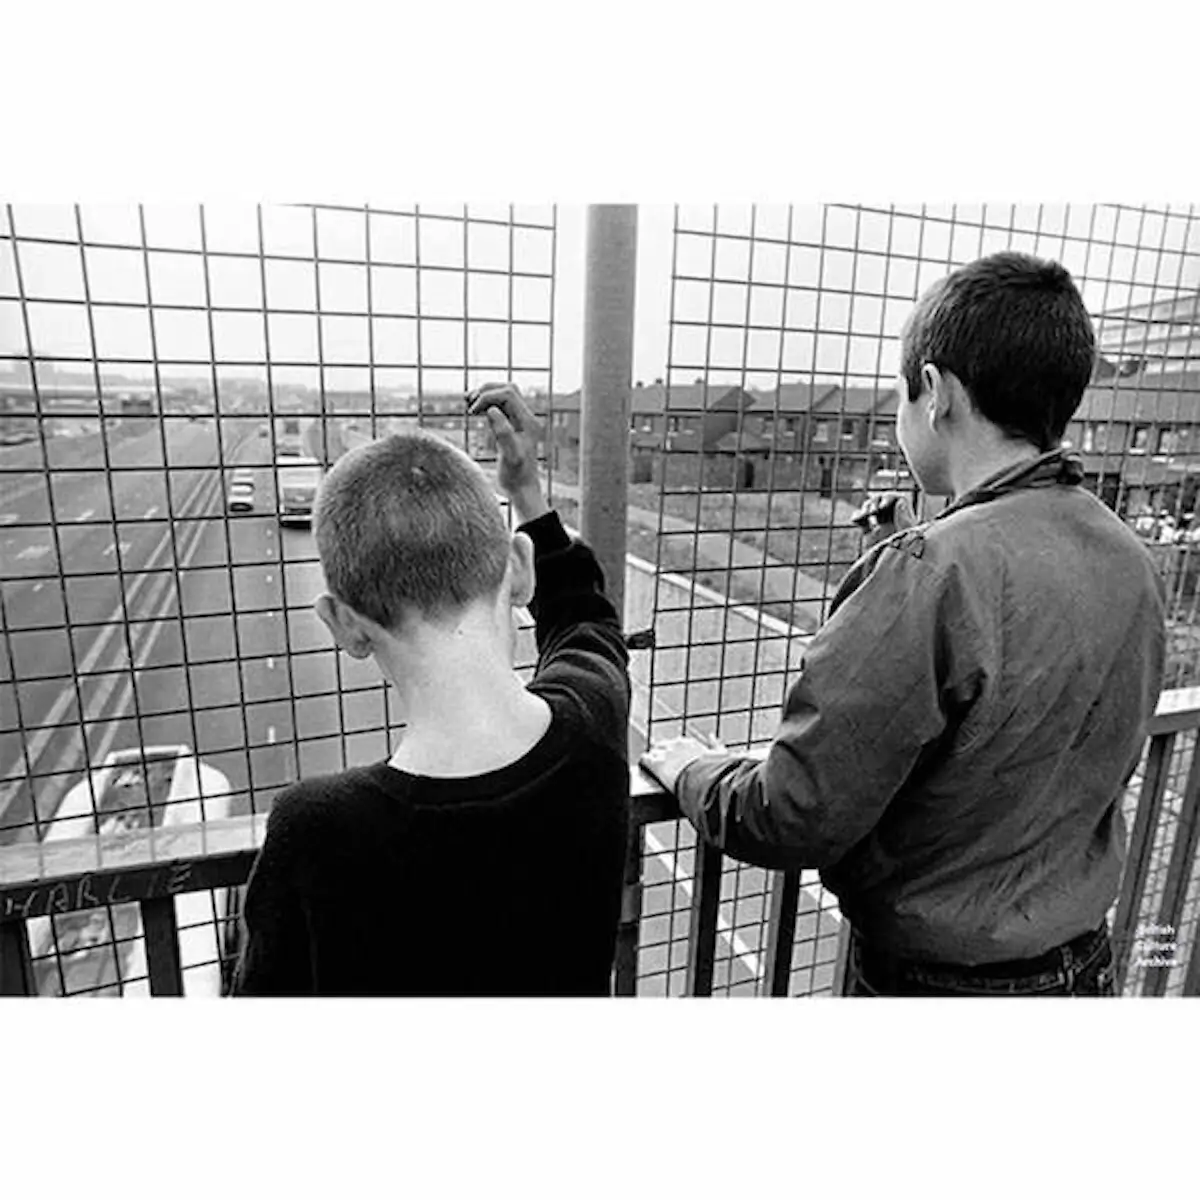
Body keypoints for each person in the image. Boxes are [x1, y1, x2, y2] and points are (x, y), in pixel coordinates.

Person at [641, 251, 1166, 997]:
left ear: (935, 392)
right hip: (1083, 964)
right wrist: (915, 551)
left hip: (940, 983)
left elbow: (792, 814)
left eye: (900, 388)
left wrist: (691, 767)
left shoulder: (929, 572)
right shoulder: (1124, 554)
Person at [233, 383, 630, 996]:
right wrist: (525, 490)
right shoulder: (592, 727)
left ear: (343, 625)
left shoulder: (314, 832)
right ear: (518, 570)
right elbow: (586, 620)